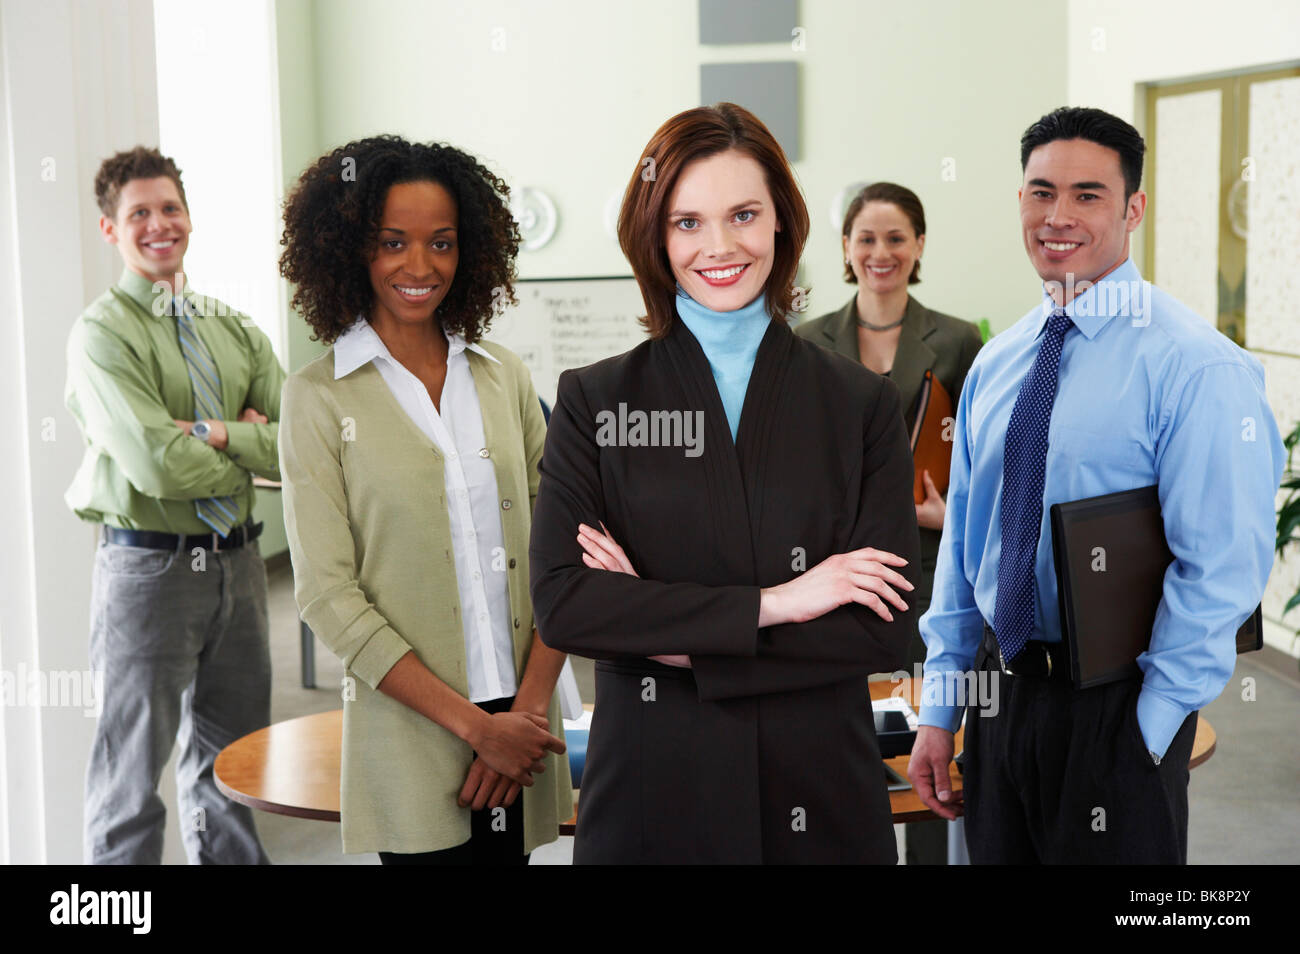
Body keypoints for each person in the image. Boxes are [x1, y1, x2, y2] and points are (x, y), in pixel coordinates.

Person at [528, 103, 922, 864]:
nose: (719, 246)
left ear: (782, 221)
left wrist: (664, 633)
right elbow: (568, 605)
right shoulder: (596, 401)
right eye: (687, 223)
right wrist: (783, 602)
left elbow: (883, 627)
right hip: (655, 791)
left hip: (821, 792)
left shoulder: (860, 404)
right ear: (655, 235)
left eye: (743, 214)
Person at [907, 107, 1285, 864]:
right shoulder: (999, 361)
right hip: (999, 694)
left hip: (1117, 706)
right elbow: (965, 543)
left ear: (1132, 209)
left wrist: (1152, 721)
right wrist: (943, 704)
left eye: (1087, 195)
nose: (1058, 216)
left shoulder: (1194, 366)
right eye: (1041, 191)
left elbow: (1222, 566)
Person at [277, 135, 571, 864]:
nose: (420, 266)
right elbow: (326, 595)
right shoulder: (316, 398)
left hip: (523, 717)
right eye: (392, 242)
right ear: (350, 249)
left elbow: (566, 547)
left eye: (441, 242)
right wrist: (478, 731)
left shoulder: (503, 375)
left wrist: (524, 713)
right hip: (417, 727)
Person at [67, 146, 282, 864]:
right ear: (110, 230)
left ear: (188, 216)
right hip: (149, 577)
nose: (158, 225)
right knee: (131, 782)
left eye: (169, 208)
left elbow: (302, 446)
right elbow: (156, 464)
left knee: (234, 770)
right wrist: (246, 443)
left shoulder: (235, 328)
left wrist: (213, 434)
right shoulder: (102, 335)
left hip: (241, 566)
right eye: (139, 214)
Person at [795, 182, 982, 864]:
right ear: (845, 249)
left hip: (931, 562)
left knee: (932, 728)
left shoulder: (959, 339)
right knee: (842, 729)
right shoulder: (807, 339)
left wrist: (949, 511)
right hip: (837, 570)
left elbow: (980, 455)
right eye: (866, 238)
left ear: (920, 246)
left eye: (896, 237)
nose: (881, 252)